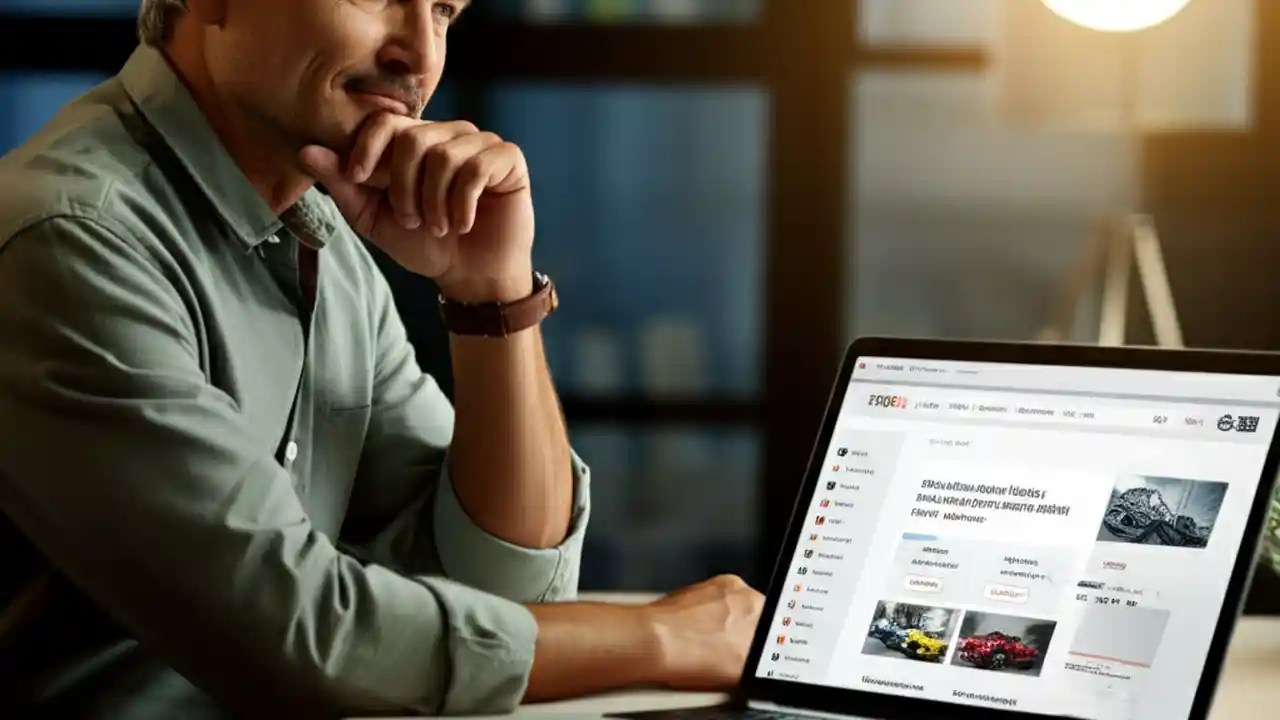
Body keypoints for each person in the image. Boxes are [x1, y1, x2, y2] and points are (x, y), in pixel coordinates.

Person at [0, 0, 764, 716]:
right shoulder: (72, 239)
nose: (420, 57)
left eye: (444, 11)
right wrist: (663, 637)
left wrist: (492, 295)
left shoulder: (324, 246)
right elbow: (301, 638)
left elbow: (505, 596)